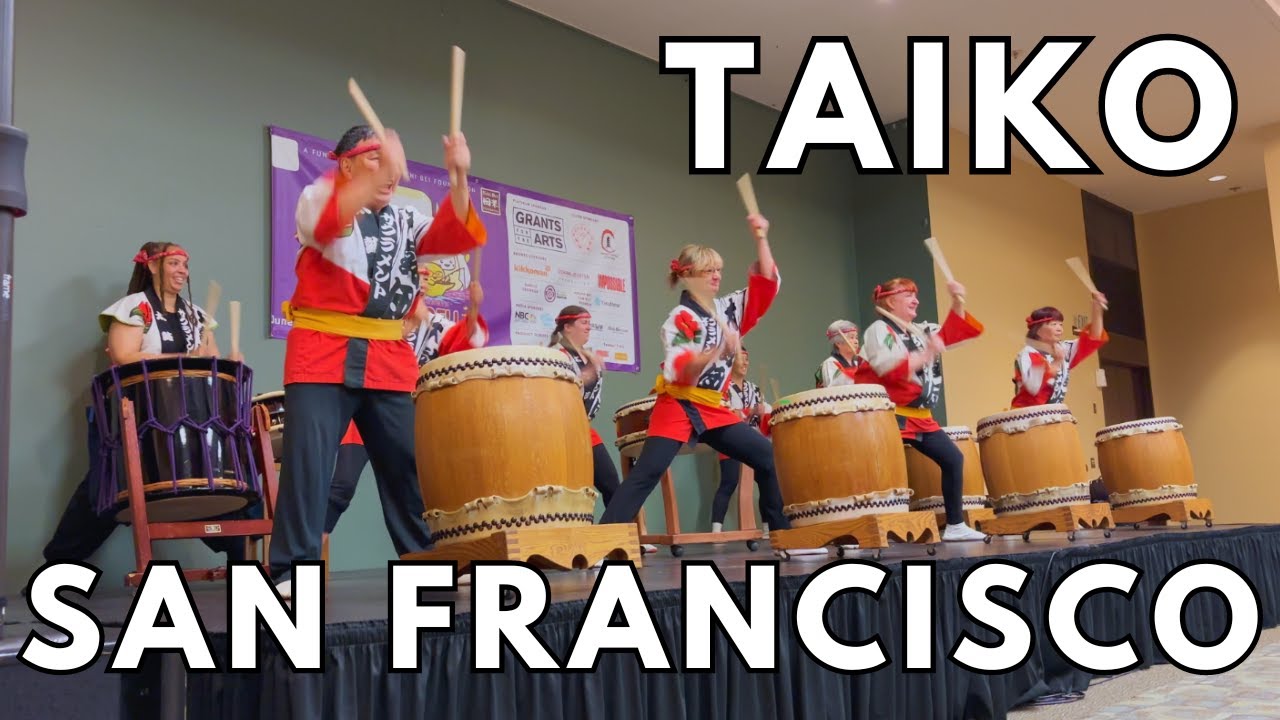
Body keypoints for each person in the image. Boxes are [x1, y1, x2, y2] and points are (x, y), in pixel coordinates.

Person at [270, 124, 486, 595]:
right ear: (345, 164)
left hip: (388, 357)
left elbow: (455, 234)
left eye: (391, 166)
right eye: (375, 162)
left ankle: (424, 564)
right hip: (323, 351)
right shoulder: (318, 196)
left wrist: (458, 177)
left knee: (408, 464)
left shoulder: (408, 218)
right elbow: (331, 221)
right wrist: (379, 168)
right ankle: (290, 573)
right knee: (309, 464)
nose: (389, 176)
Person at [41, 242, 247, 570]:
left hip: (193, 418)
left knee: (223, 485)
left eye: (185, 265)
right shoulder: (134, 308)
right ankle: (57, 568)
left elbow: (209, 360)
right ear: (152, 266)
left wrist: (228, 361)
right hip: (140, 418)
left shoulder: (196, 315)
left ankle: (243, 564)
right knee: (105, 492)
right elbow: (124, 356)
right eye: (174, 264)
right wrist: (181, 358)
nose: (183, 271)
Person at [597, 213, 791, 536]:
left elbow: (767, 283)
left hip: (714, 407)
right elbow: (681, 369)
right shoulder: (681, 318)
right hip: (678, 404)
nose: (716, 276)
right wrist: (718, 350)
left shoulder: (728, 309)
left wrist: (761, 238)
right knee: (648, 471)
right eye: (708, 271)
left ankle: (785, 536)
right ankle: (602, 542)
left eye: (718, 270)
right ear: (688, 276)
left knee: (767, 458)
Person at [321, 280, 487, 554]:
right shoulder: (377, 315)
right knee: (341, 486)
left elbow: (464, 346)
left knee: (414, 490)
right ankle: (302, 559)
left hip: (407, 418)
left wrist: (475, 308)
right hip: (364, 410)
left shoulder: (436, 325)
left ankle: (431, 562)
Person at [854, 277, 987, 542]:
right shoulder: (879, 330)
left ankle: (955, 525)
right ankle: (867, 527)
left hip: (919, 416)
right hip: (887, 415)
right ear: (891, 301)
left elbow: (955, 333)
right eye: (908, 296)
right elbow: (889, 368)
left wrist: (957, 301)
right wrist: (927, 354)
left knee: (953, 459)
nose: (916, 300)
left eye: (916, 295)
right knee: (883, 471)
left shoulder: (919, 330)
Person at [549, 305, 620, 506]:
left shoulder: (587, 355)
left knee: (612, 485)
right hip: (560, 432)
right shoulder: (555, 354)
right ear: (568, 327)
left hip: (583, 428)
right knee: (572, 492)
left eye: (590, 323)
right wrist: (588, 374)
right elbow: (556, 390)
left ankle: (612, 532)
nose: (589, 328)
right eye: (584, 323)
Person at [1010, 292, 1108, 408]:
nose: (1059, 329)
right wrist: (1056, 362)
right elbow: (1033, 387)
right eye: (1054, 324)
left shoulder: (1062, 348)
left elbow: (1093, 338)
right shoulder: (1029, 353)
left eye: (1061, 325)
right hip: (1027, 416)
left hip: (1052, 413)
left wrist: (1097, 308)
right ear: (1037, 330)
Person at [710, 347, 771, 533]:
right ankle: (716, 530)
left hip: (753, 439)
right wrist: (749, 412)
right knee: (729, 482)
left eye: (747, 359)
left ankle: (768, 528)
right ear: (730, 361)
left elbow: (763, 421)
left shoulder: (754, 389)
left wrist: (764, 413)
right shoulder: (722, 387)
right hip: (730, 439)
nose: (746, 363)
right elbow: (725, 413)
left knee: (765, 480)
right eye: (741, 358)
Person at [815, 319, 863, 387]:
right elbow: (831, 390)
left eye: (856, 337)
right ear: (838, 343)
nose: (856, 341)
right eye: (851, 337)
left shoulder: (857, 364)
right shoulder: (830, 363)